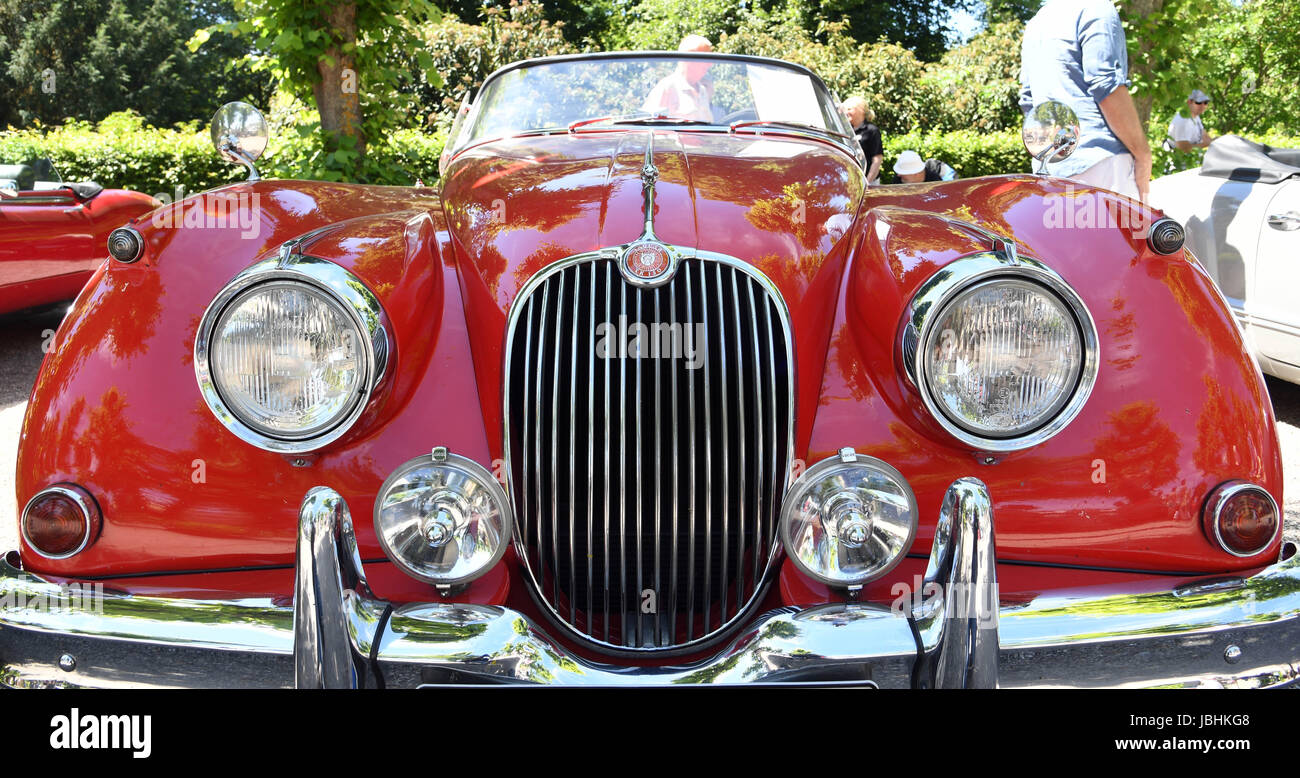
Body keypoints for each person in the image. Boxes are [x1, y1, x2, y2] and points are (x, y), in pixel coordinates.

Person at [1019, 0, 1151, 201]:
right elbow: (1105, 84)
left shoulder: (1036, 24)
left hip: (1051, 172)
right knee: (1121, 233)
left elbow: (1029, 102)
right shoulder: (1096, 7)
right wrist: (1143, 155)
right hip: (1103, 166)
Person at [642, 35, 716, 122]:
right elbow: (648, 127)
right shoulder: (667, 87)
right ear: (689, 60)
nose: (710, 64)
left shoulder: (702, 90)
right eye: (706, 59)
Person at [841, 96, 884, 184]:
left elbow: (877, 160)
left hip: (868, 182)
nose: (846, 112)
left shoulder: (871, 130)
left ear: (861, 110)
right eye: (845, 109)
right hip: (852, 182)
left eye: (849, 109)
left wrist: (867, 183)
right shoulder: (847, 131)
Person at [892, 150, 957, 183]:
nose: (898, 175)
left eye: (903, 173)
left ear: (916, 174)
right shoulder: (898, 180)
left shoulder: (942, 175)